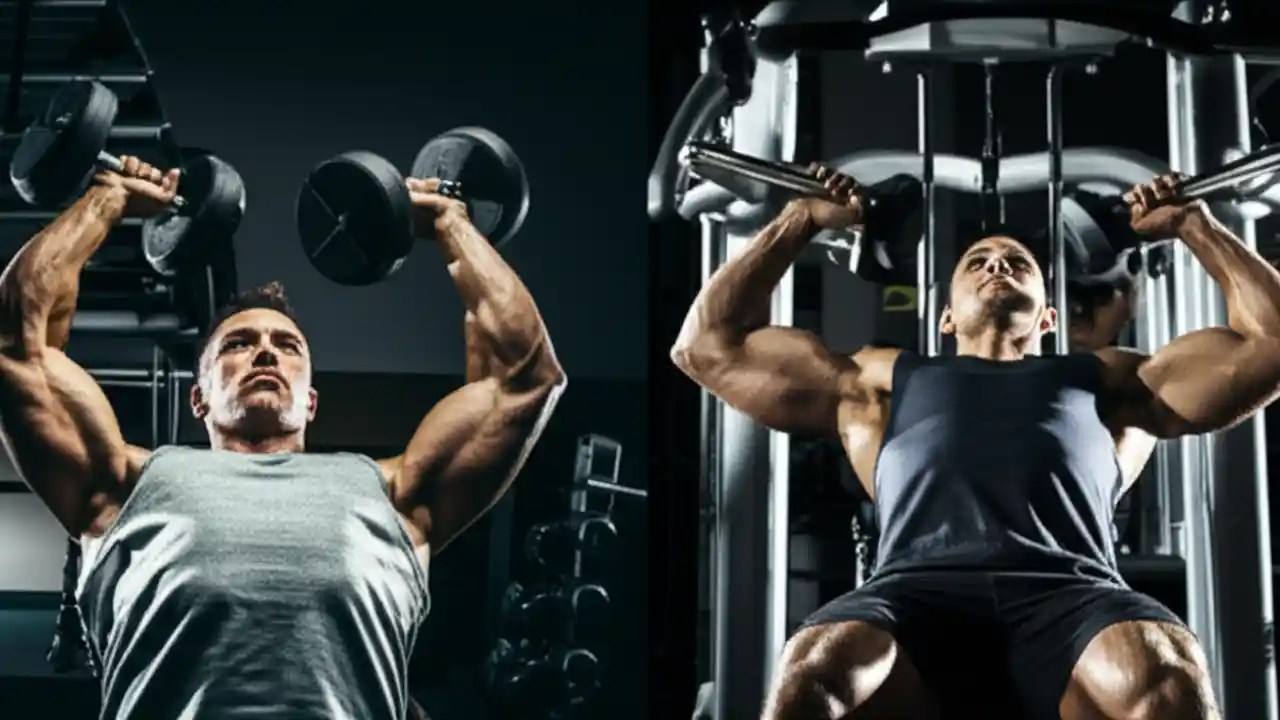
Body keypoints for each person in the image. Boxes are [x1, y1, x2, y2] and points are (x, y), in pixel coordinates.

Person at [670, 166, 1280, 719]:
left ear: (1048, 318)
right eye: (978, 261)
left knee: (1167, 676)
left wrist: (1195, 226)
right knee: (812, 671)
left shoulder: (1112, 382)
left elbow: (1271, 346)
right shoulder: (878, 382)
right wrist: (799, 220)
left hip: (1072, 596)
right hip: (913, 597)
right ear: (945, 317)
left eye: (1018, 262)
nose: (997, 265)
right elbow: (705, 348)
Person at [0, 156, 566, 719]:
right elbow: (17, 348)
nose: (266, 352)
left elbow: (524, 378)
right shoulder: (127, 486)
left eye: (287, 346)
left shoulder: (395, 494)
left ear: (311, 402)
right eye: (238, 345)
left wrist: (450, 222)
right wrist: (107, 199)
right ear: (198, 399)